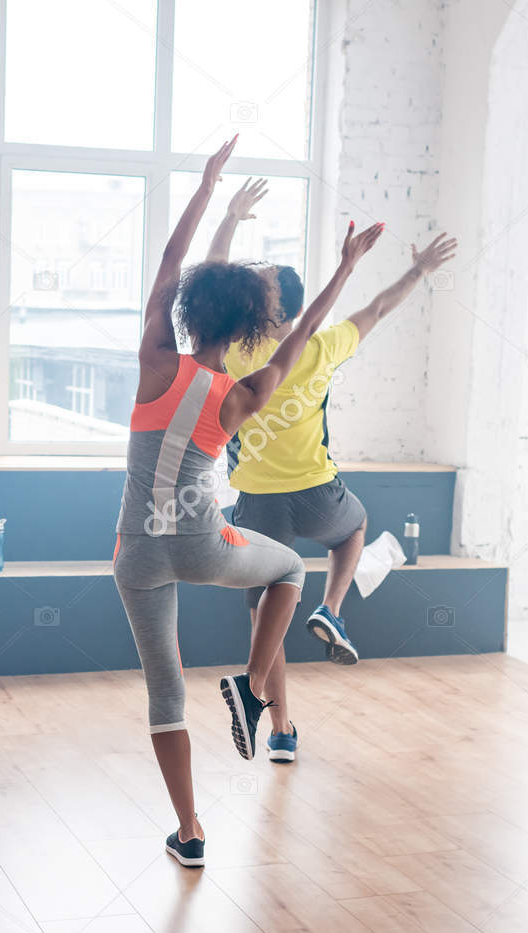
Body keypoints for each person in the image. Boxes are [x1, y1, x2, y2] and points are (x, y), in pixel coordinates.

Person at [114, 136, 382, 868]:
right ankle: (254, 687)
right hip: (203, 544)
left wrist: (205, 188)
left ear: (189, 314)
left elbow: (169, 269)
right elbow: (301, 340)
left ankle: (190, 832)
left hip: (135, 554)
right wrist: (345, 269)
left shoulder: (153, 361)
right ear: (248, 332)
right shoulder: (242, 394)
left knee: (164, 694)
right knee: (292, 568)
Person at [208, 179, 457, 762]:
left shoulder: (234, 351)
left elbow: (211, 280)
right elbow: (376, 308)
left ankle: (281, 730)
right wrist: (417, 270)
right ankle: (333, 610)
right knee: (353, 529)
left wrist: (230, 216)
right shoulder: (321, 348)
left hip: (258, 500)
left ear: (268, 309)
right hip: (317, 491)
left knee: (267, 617)